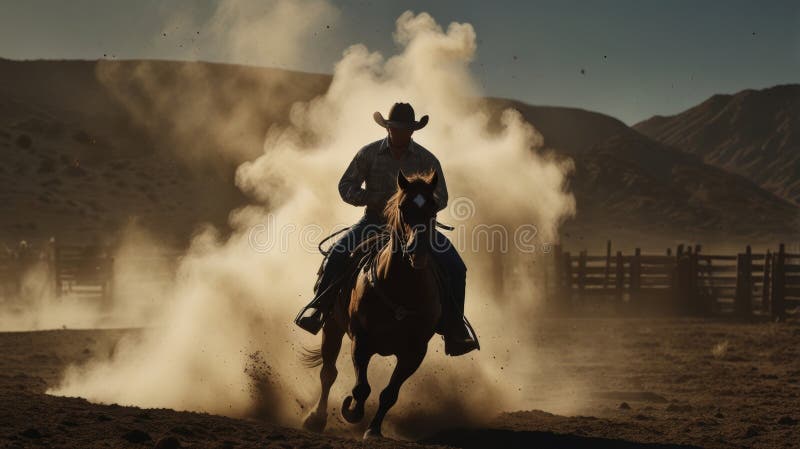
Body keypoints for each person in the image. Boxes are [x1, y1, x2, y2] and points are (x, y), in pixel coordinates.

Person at [294, 102, 479, 356]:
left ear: (413, 131)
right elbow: (345, 186)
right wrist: (371, 198)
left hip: (416, 226)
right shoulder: (368, 154)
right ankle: (319, 309)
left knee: (456, 268)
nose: (400, 133)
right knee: (337, 254)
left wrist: (419, 205)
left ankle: (455, 329)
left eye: (405, 129)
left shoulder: (427, 159)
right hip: (373, 222)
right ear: (388, 128)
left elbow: (442, 196)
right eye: (396, 128)